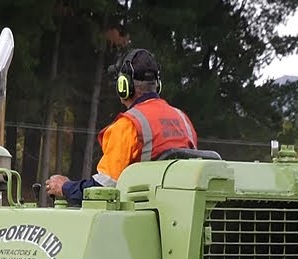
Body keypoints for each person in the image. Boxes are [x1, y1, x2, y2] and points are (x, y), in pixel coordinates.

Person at [44, 48, 199, 205]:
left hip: (142, 217)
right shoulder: (183, 120)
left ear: (124, 86)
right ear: (157, 84)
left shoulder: (128, 125)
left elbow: (103, 189)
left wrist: (66, 187)